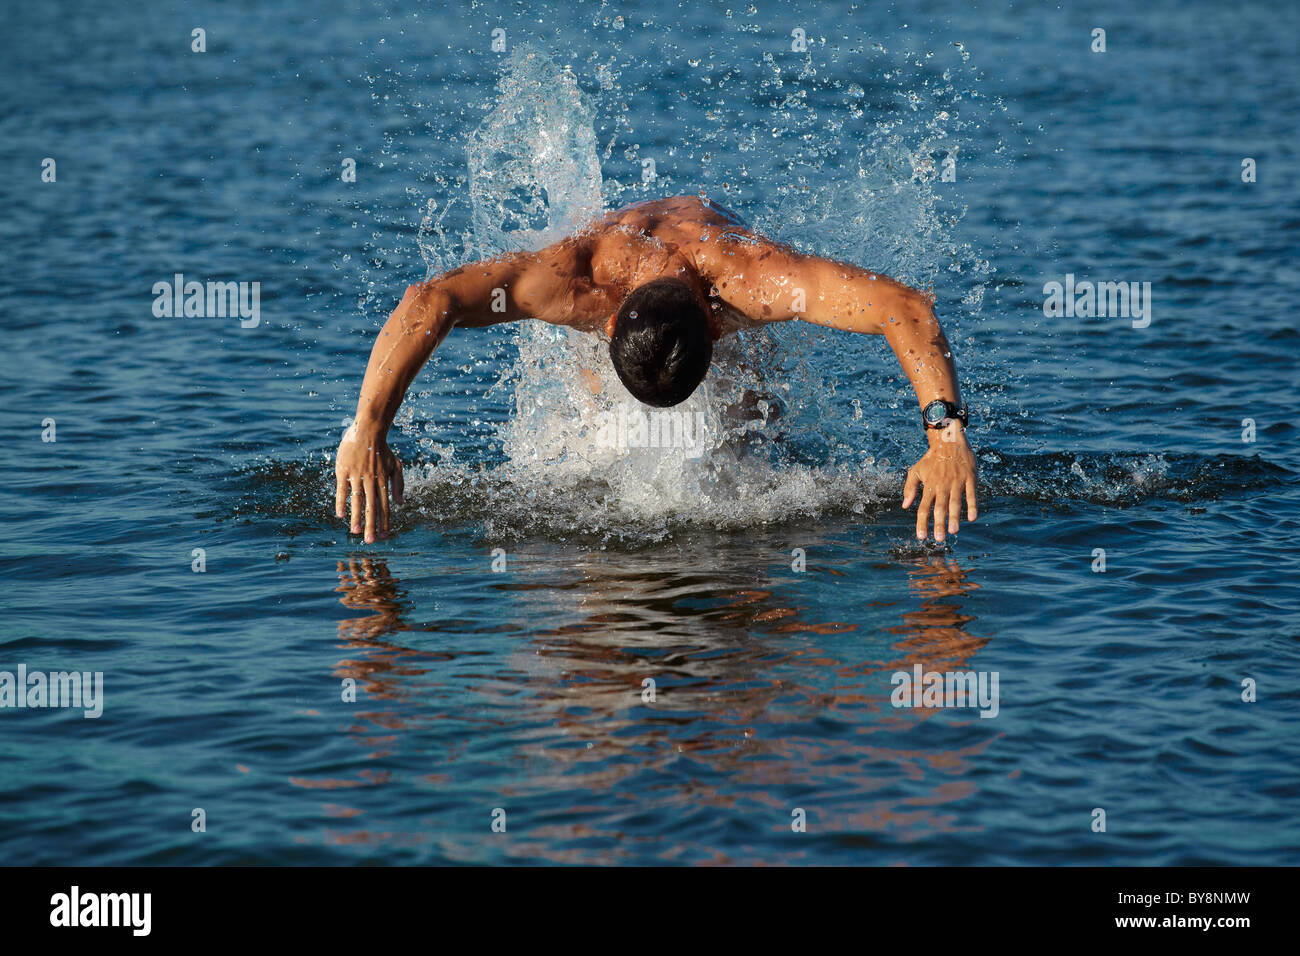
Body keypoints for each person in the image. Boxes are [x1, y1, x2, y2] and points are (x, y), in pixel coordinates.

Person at [334, 195, 978, 544]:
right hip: (629, 294)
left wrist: (946, 436)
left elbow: (904, 306)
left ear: (716, 322)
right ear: (609, 324)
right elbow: (432, 299)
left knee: (753, 425)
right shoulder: (573, 283)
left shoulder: (752, 282)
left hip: (712, 286)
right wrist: (367, 428)